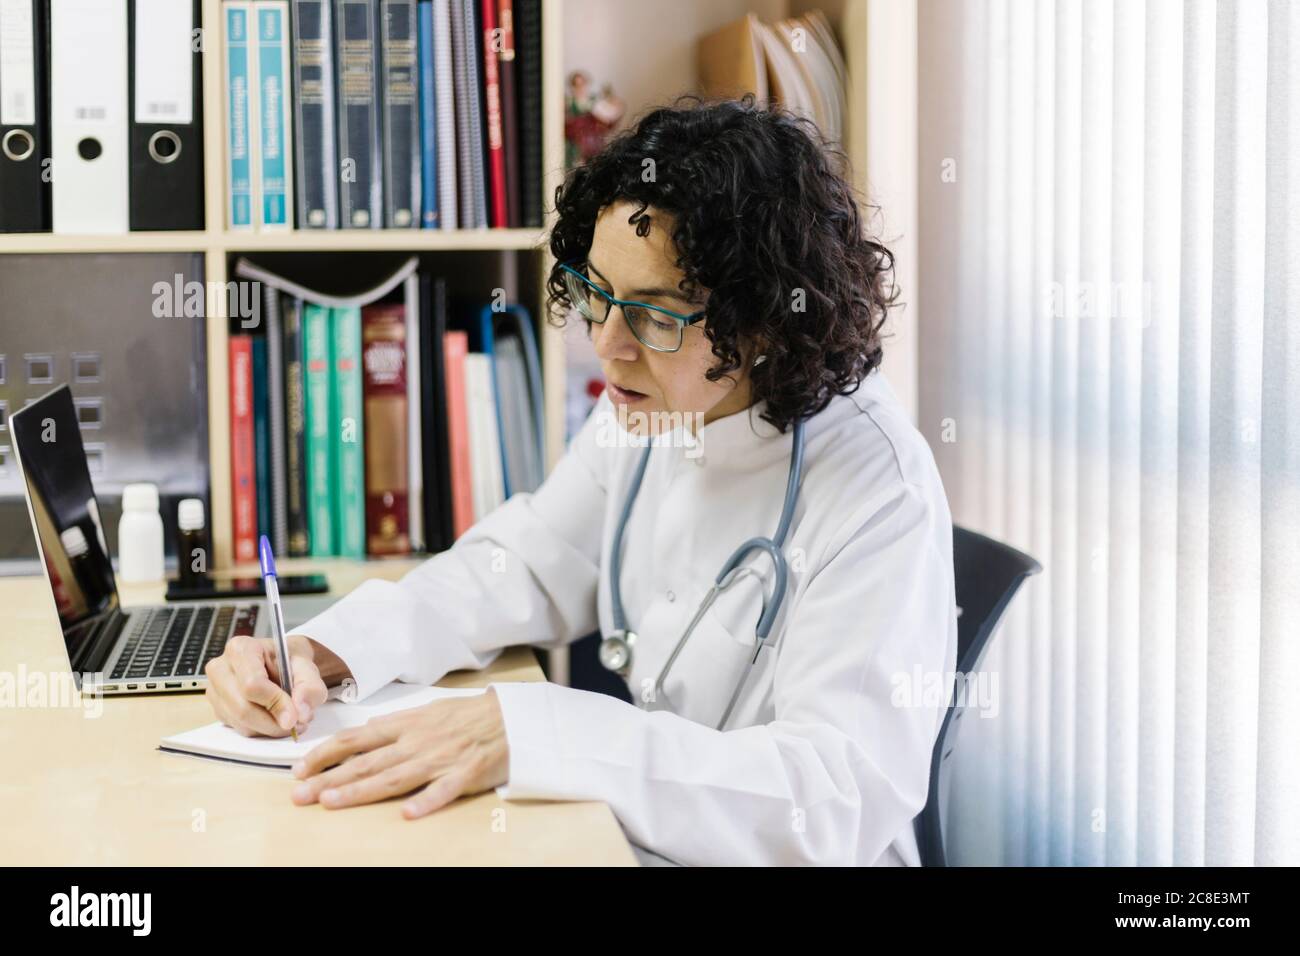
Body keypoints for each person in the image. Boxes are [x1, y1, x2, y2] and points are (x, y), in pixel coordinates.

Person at [203, 97, 959, 866]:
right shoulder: (653, 406)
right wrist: (325, 650)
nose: (607, 344)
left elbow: (832, 800)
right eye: (596, 293)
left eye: (657, 316)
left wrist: (537, 730)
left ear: (764, 323)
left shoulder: (877, 491)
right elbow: (526, 559)